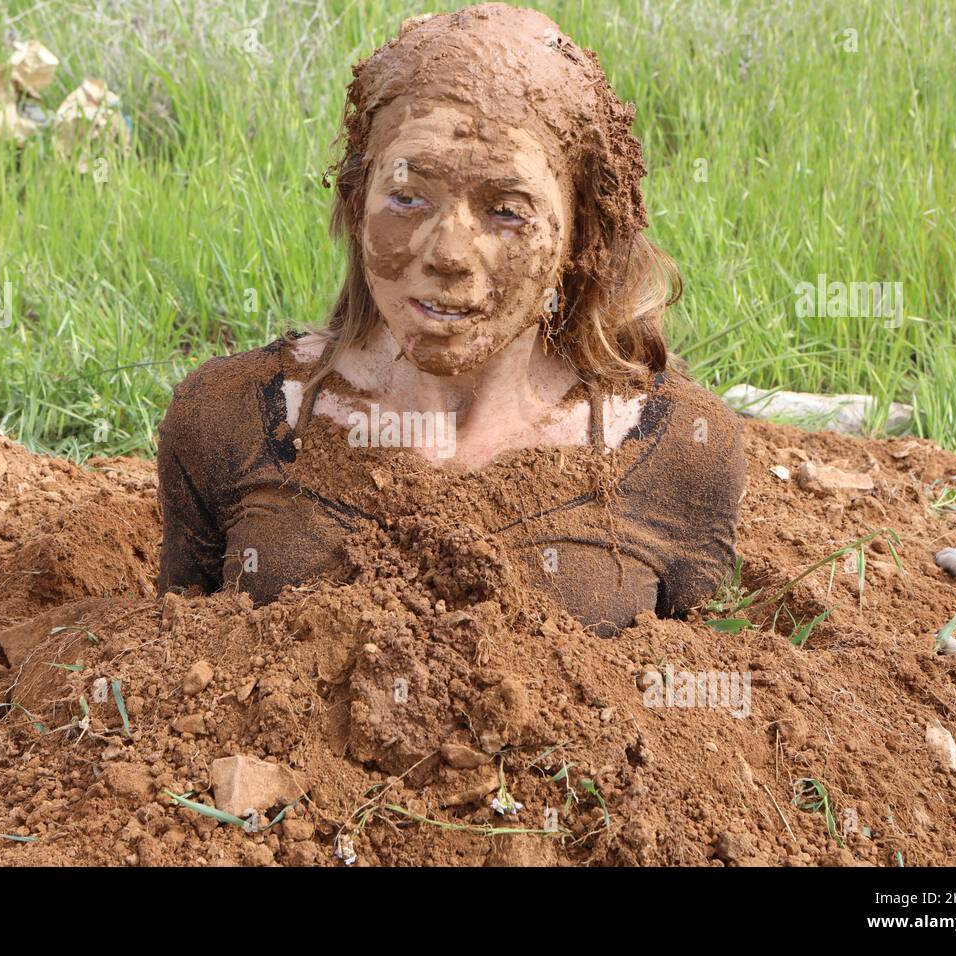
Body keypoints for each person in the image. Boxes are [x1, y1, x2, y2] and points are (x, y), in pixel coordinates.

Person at [157, 3, 746, 636]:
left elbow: (702, 696)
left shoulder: (679, 449)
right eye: (408, 196)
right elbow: (165, 655)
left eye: (507, 210)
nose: (449, 254)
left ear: (583, 236)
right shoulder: (227, 418)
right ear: (357, 206)